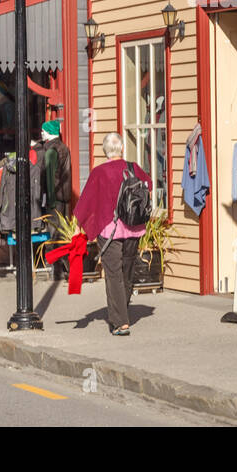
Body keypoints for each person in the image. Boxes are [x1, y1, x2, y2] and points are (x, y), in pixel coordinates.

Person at [75, 132, 152, 336]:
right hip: (134, 228)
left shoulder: (99, 172)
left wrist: (78, 225)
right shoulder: (133, 167)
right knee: (127, 270)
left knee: (114, 274)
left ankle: (120, 322)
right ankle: (122, 310)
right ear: (122, 149)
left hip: (111, 229)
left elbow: (86, 202)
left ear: (105, 151)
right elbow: (149, 185)